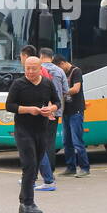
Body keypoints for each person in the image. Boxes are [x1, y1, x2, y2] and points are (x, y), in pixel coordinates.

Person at [6, 56, 61, 213]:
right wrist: (28, 109)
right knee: (29, 165)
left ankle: (24, 201)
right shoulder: (18, 84)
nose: (30, 72)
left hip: (41, 129)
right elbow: (9, 105)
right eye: (27, 68)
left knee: (35, 166)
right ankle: (28, 202)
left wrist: (50, 109)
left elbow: (57, 102)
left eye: (33, 68)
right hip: (23, 130)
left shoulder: (47, 83)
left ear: (40, 69)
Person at [34, 48, 68, 191]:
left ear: (41, 57)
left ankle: (40, 175)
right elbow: (66, 91)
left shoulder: (38, 70)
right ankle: (50, 173)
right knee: (50, 142)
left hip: (41, 111)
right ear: (52, 57)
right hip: (55, 110)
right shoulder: (60, 71)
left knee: (39, 142)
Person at [56, 55, 89, 178]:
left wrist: (62, 91)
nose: (59, 69)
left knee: (77, 141)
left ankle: (85, 168)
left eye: (59, 66)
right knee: (66, 141)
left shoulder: (76, 71)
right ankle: (71, 167)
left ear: (63, 63)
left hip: (76, 111)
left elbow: (76, 89)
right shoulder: (62, 73)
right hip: (66, 111)